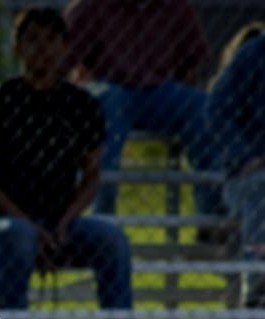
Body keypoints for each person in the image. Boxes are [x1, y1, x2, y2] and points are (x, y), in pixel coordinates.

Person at [0, 7, 153, 319]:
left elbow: (91, 176)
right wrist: (28, 223)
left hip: (61, 222)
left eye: (52, 40)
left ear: (66, 48)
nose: (43, 49)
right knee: (17, 236)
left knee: (111, 240)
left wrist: (67, 220)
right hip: (3, 224)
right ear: (18, 47)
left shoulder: (82, 105)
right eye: (33, 40)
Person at [64, 0, 223, 219]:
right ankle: (102, 217)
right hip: (109, 88)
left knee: (202, 105)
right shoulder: (91, 7)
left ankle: (211, 218)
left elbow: (190, 68)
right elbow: (63, 62)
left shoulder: (176, 7)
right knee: (110, 100)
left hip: (159, 92)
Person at [207, 25, 265, 319]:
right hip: (251, 177)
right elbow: (217, 108)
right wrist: (245, 157)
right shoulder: (254, 54)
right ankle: (257, 290)